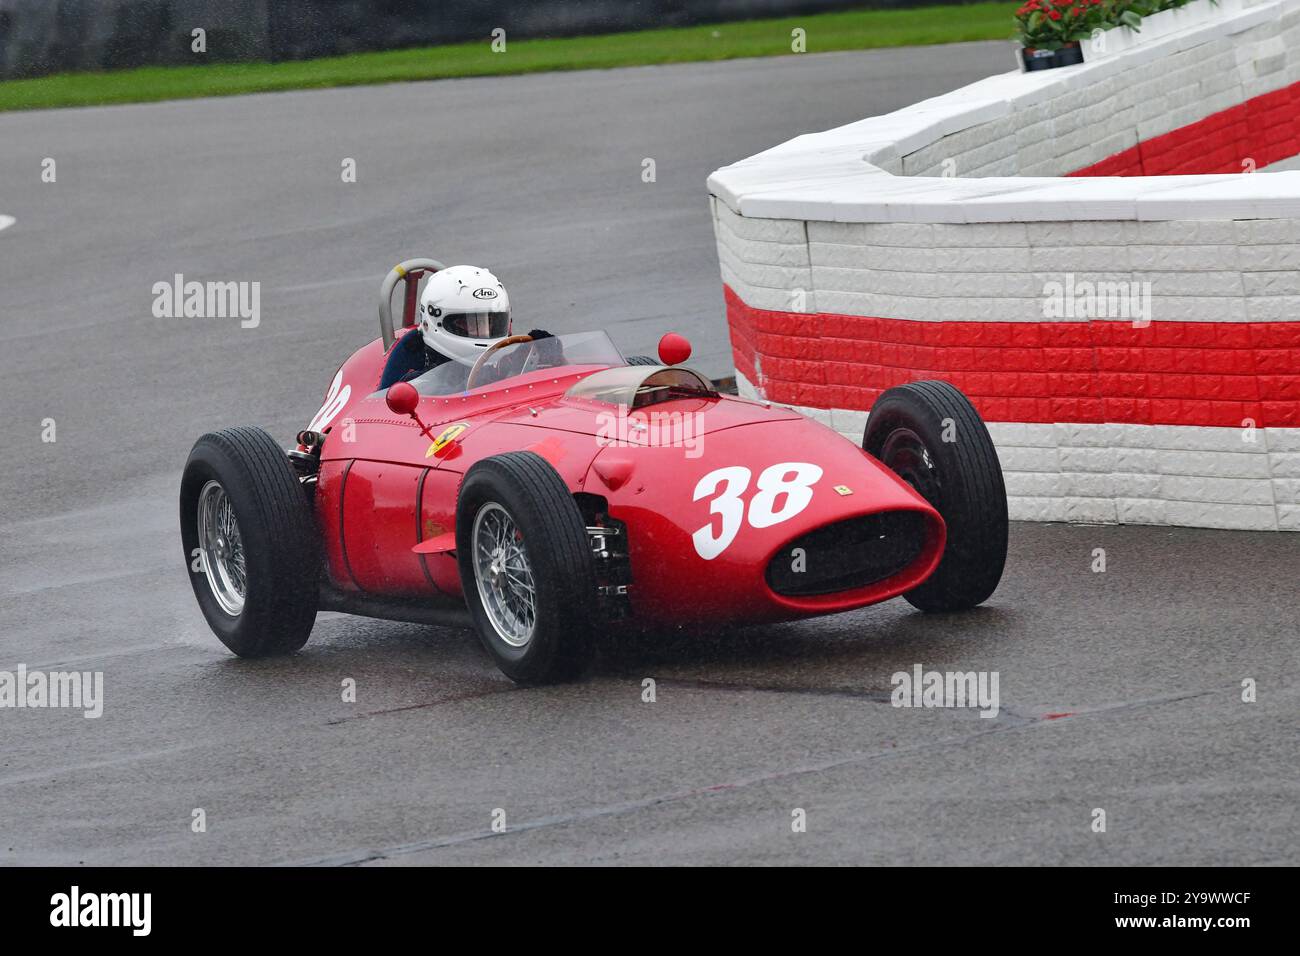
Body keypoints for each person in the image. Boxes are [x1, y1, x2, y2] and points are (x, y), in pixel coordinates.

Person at [379, 265, 551, 390]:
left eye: (490, 323)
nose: (483, 332)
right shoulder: (417, 384)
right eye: (468, 324)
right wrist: (506, 369)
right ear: (435, 320)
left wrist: (551, 358)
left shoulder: (499, 364)